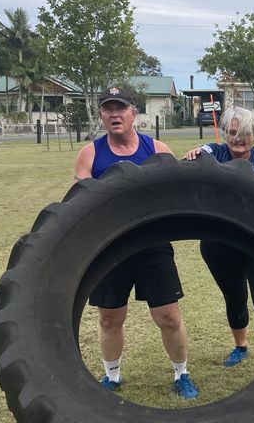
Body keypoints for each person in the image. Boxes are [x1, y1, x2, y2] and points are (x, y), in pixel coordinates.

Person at [72, 85, 199, 399]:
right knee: (109, 317)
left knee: (169, 316)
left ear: (134, 113)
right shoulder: (91, 154)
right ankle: (112, 377)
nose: (114, 114)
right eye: (107, 108)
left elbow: (177, 192)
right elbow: (81, 204)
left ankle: (181, 374)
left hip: (152, 246)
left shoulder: (156, 148)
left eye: (121, 108)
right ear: (102, 114)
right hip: (109, 249)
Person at [183, 107, 254, 370]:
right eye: (232, 132)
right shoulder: (213, 154)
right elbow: (199, 154)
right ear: (224, 133)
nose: (238, 138)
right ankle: (240, 346)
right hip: (219, 246)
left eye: (244, 133)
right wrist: (195, 154)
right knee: (235, 297)